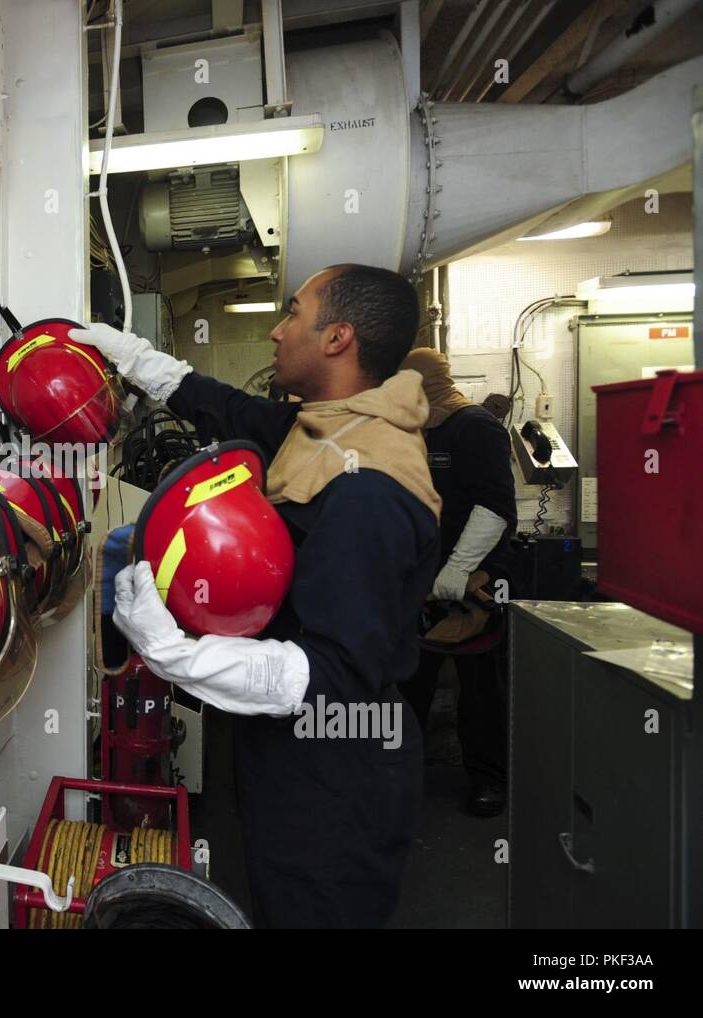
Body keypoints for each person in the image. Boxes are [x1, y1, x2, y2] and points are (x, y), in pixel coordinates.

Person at [70, 264, 440, 928]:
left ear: (337, 338)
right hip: (289, 757)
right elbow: (231, 411)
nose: (276, 330)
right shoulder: (333, 429)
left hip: (336, 775)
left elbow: (332, 676)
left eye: (293, 313)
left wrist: (177, 655)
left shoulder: (368, 490)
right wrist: (134, 359)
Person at [399, 348, 516, 818]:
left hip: (476, 585)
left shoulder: (475, 427)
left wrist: (459, 570)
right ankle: (399, 777)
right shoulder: (416, 433)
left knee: (481, 690)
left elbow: (495, 508)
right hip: (424, 585)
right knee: (410, 686)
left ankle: (488, 779)